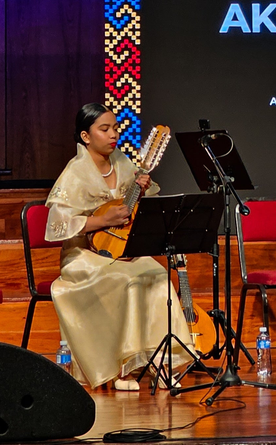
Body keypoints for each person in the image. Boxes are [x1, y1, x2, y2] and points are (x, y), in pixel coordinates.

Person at [46, 103, 192, 390]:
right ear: (86, 137)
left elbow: (141, 209)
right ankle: (120, 368)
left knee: (157, 275)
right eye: (104, 129)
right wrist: (100, 220)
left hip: (122, 252)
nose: (113, 134)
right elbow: (55, 226)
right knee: (126, 280)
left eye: (115, 128)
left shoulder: (124, 163)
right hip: (83, 256)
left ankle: (160, 362)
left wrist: (143, 188)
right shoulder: (75, 173)